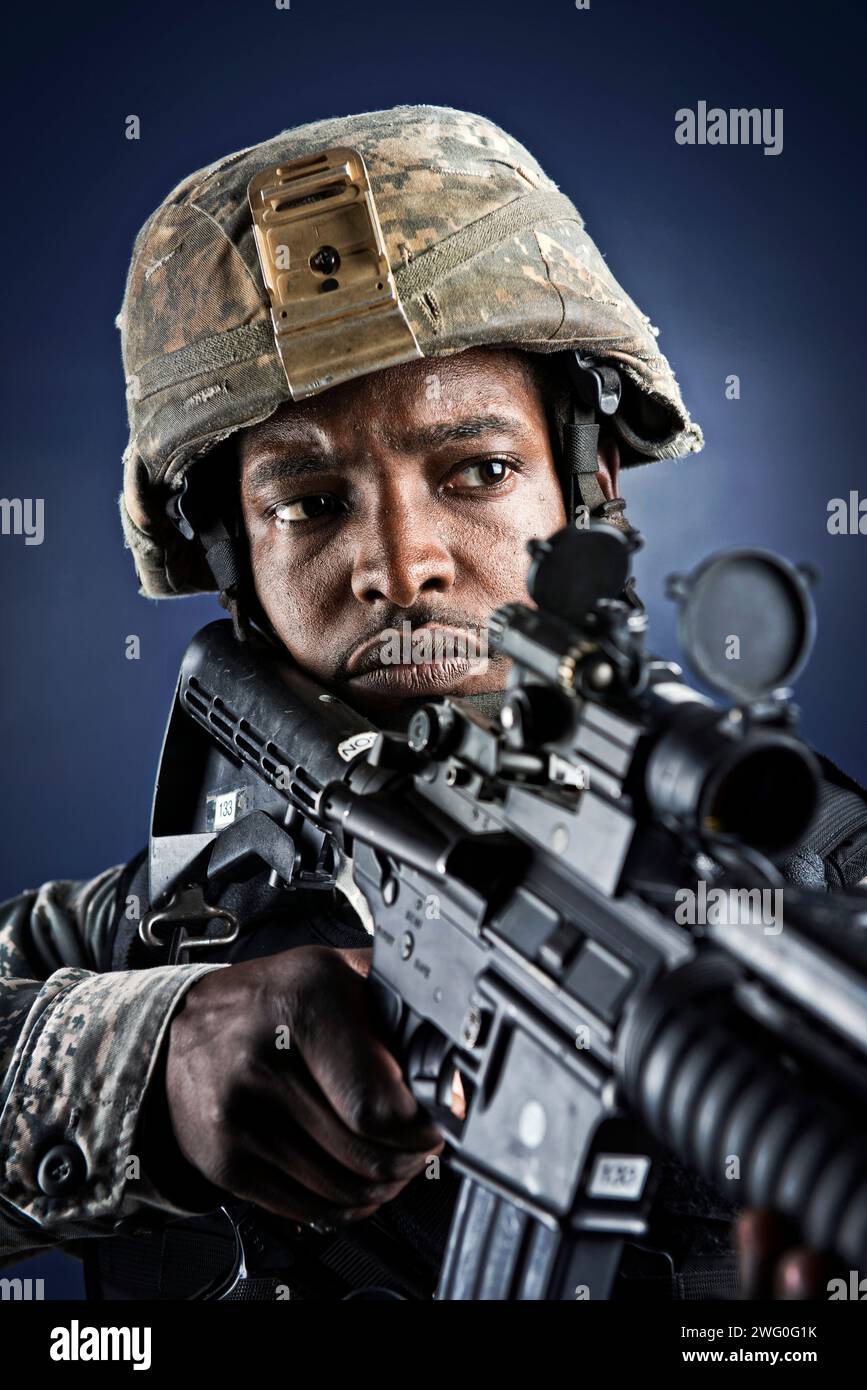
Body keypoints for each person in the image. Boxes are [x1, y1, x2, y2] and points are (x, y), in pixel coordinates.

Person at [1, 105, 865, 1301]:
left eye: (476, 471)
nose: (401, 564)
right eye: (308, 503)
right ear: (230, 556)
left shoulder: (811, 877)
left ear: (590, 482)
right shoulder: (183, 908)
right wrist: (147, 1061)